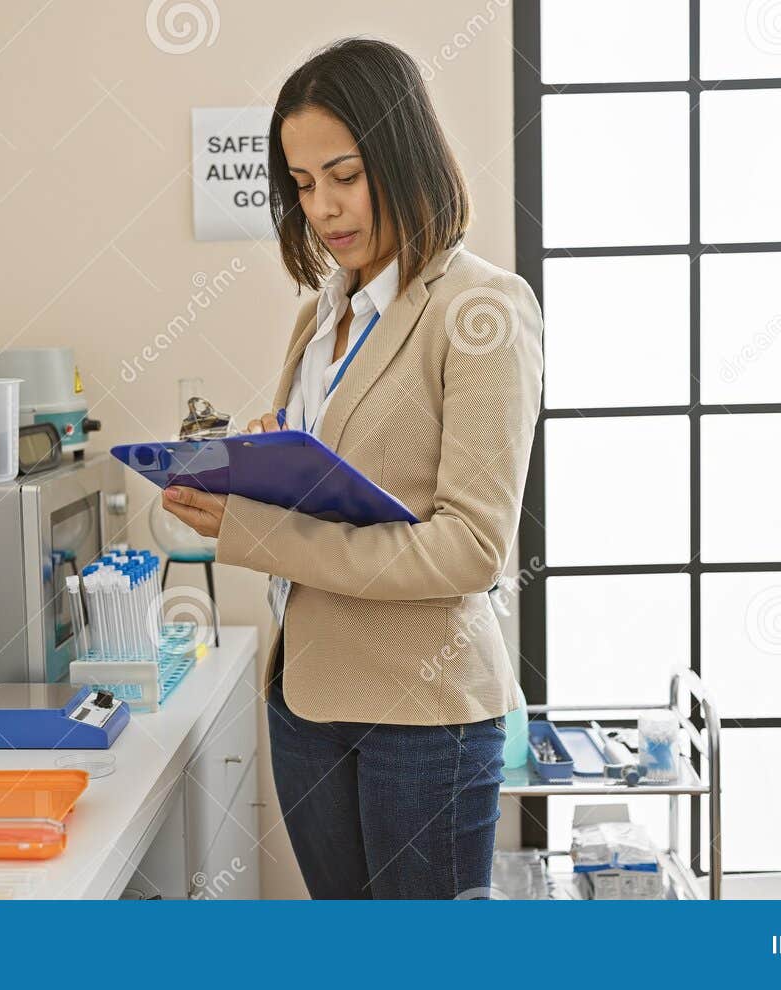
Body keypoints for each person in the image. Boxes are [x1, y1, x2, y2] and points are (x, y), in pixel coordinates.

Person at [161, 37, 543, 899]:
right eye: (301, 186)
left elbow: (471, 551)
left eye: (345, 174)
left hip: (422, 716)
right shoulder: (321, 314)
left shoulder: (479, 308)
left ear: (404, 156)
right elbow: (343, 484)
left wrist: (254, 531)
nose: (324, 208)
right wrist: (263, 462)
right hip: (306, 699)